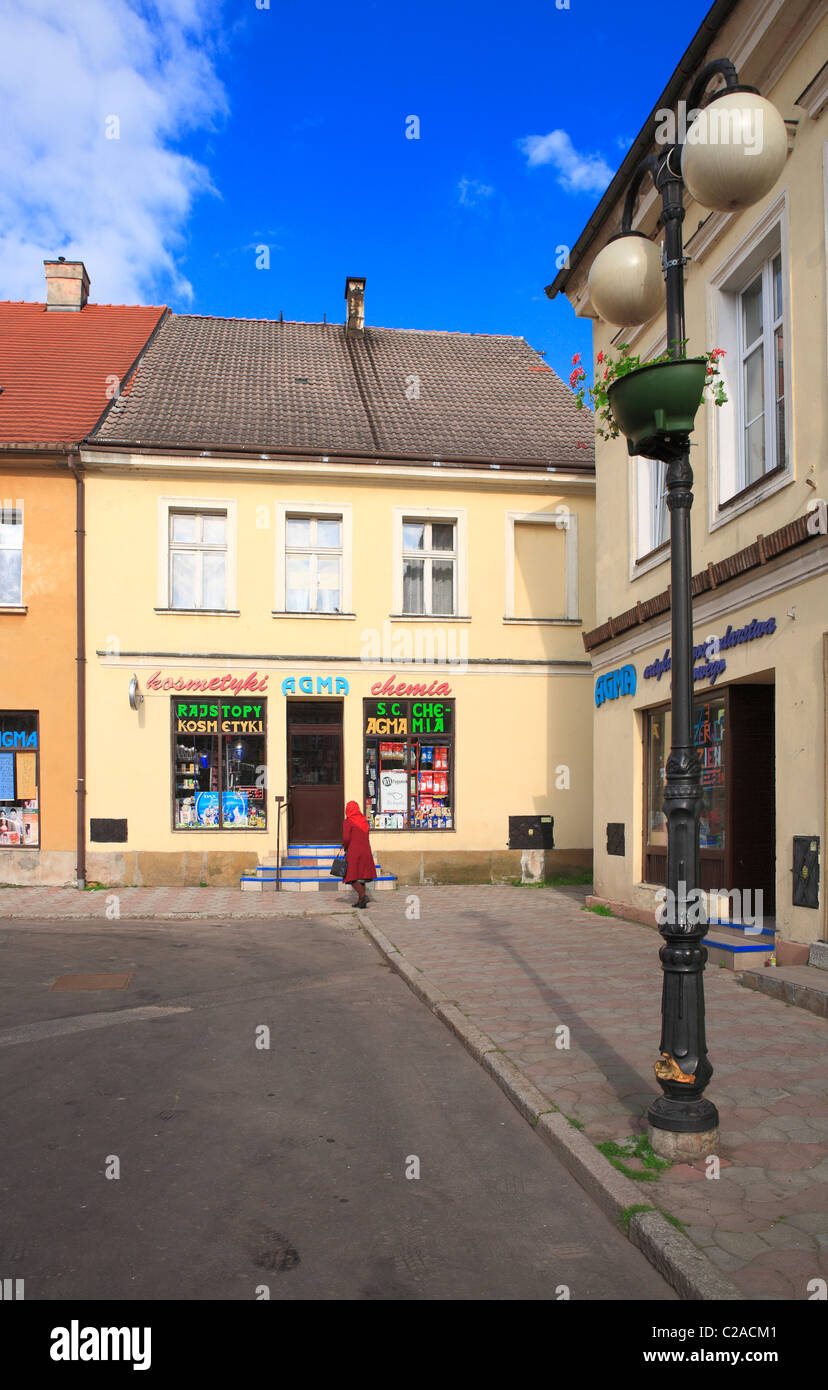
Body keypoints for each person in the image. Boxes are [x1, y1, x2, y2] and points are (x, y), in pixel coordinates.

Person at [342, 800, 376, 908]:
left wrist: (345, 847)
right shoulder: (364, 820)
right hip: (365, 851)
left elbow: (346, 838)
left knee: (350, 876)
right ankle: (361, 902)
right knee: (362, 876)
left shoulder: (348, 821)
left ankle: (363, 895)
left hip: (354, 851)